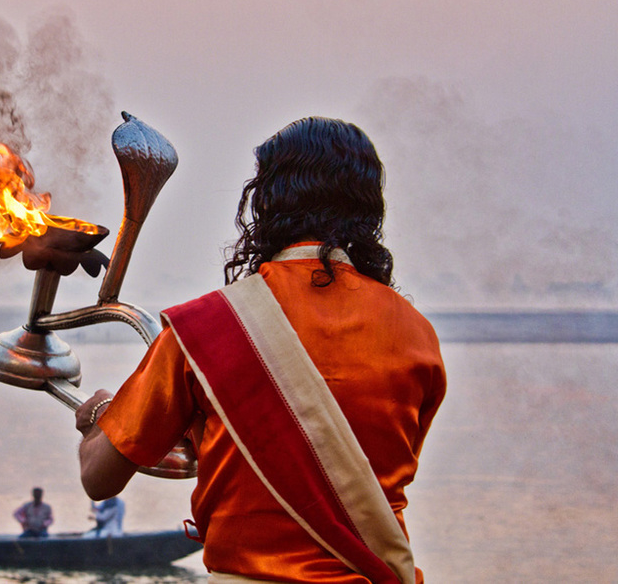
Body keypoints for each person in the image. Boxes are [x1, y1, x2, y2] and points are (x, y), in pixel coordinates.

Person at [76, 117, 446, 584]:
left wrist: (100, 415)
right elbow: (370, 466)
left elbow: (99, 478)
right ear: (368, 210)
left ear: (265, 202)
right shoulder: (417, 335)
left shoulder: (205, 327)